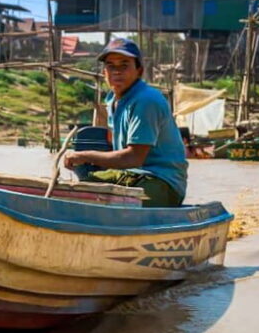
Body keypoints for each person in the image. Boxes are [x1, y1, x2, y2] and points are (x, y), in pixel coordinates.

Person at [64, 38, 188, 207]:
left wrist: (85, 155)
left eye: (124, 65)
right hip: (133, 175)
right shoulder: (113, 100)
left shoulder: (146, 100)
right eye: (111, 65)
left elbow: (134, 157)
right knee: (81, 184)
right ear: (104, 71)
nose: (116, 71)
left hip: (161, 183)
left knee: (93, 191)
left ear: (139, 71)